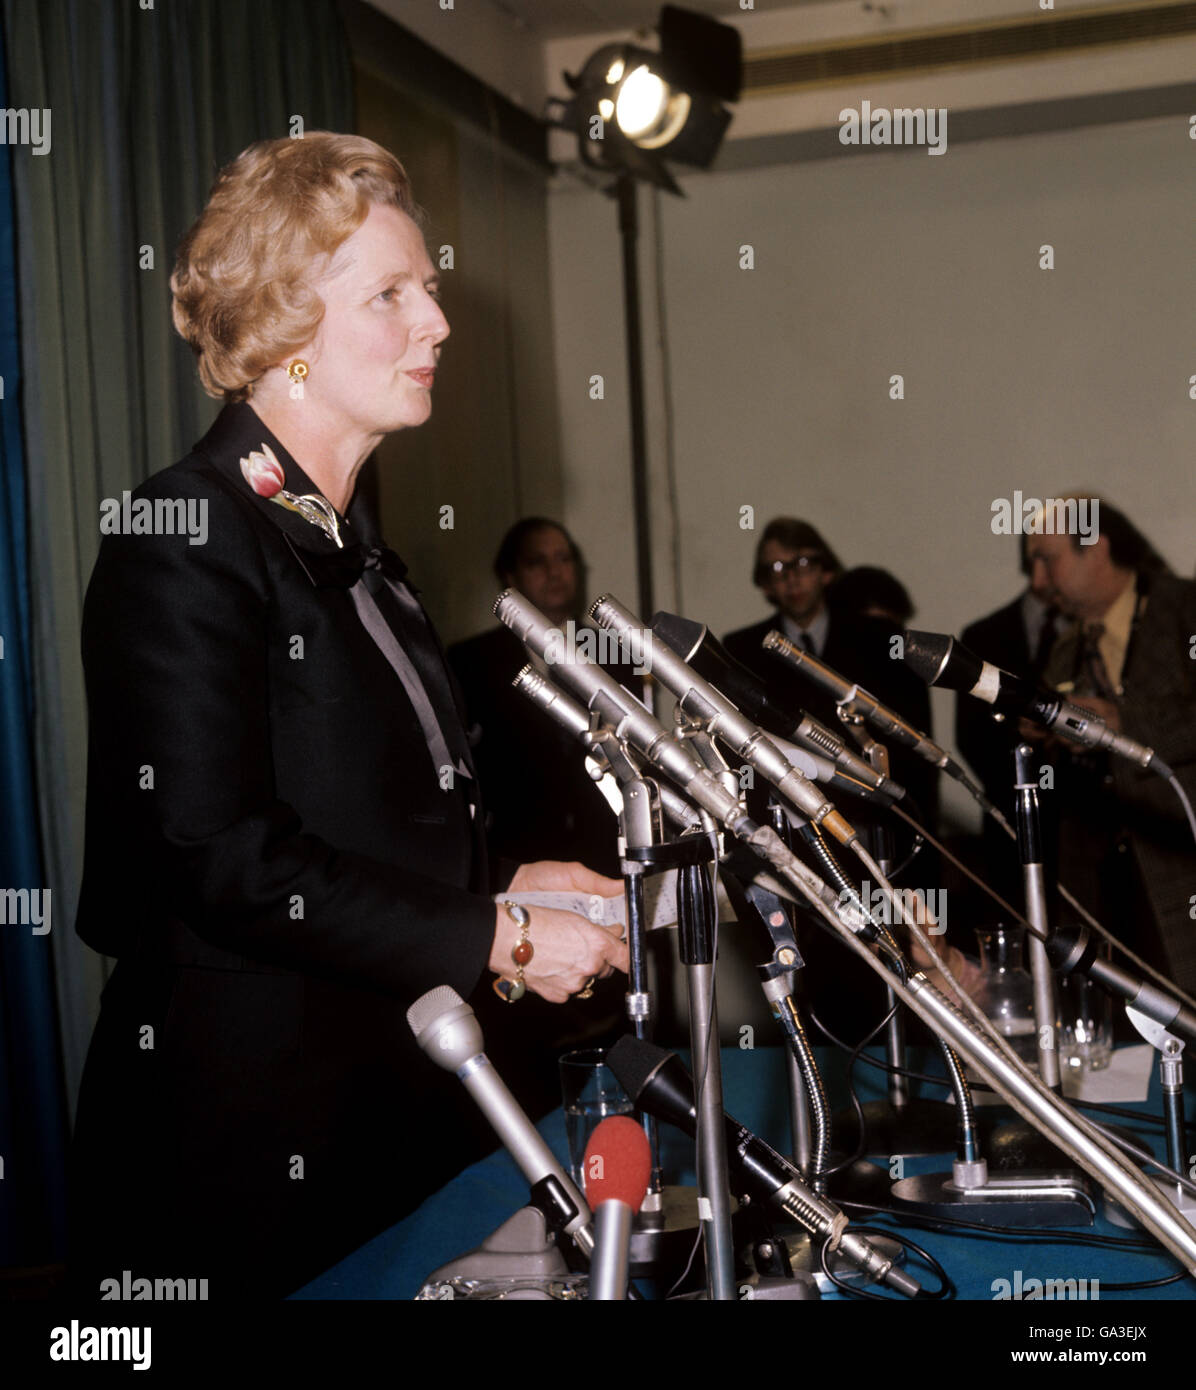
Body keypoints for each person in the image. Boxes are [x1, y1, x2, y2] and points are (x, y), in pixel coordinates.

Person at [68, 133, 628, 1300]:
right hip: (239, 1148)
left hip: (391, 1113)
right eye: (392, 294)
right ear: (282, 330)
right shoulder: (183, 534)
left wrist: (511, 884)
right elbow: (213, 855)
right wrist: (500, 939)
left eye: (427, 289)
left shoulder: (354, 547)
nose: (438, 322)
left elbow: (368, 834)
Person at [723, 519, 945, 1041]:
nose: (792, 580)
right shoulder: (740, 650)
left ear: (825, 571)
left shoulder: (880, 641)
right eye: (776, 570)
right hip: (792, 849)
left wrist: (920, 849)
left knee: (898, 993)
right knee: (807, 994)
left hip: (875, 845)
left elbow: (915, 755)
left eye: (802, 564)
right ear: (763, 583)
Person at [1022, 497, 1196, 993]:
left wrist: (1123, 721)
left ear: (1095, 548)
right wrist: (1043, 735)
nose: (1036, 582)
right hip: (1104, 893)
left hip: (1182, 869)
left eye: (1045, 560)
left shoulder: (1184, 609)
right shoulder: (1064, 648)